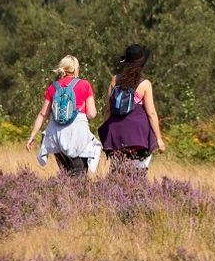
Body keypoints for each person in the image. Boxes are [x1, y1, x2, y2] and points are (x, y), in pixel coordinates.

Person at [26, 55, 101, 177]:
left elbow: (42, 114)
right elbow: (92, 114)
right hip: (78, 134)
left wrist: (32, 136)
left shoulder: (53, 87)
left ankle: (63, 195)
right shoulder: (84, 85)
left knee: (65, 175)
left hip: (57, 135)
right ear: (76, 68)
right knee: (79, 176)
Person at [98, 44, 166, 176]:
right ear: (142, 63)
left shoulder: (115, 80)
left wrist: (106, 133)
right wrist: (159, 139)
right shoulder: (145, 84)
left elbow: (108, 110)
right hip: (138, 135)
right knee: (138, 173)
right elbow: (151, 113)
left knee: (117, 172)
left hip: (116, 132)